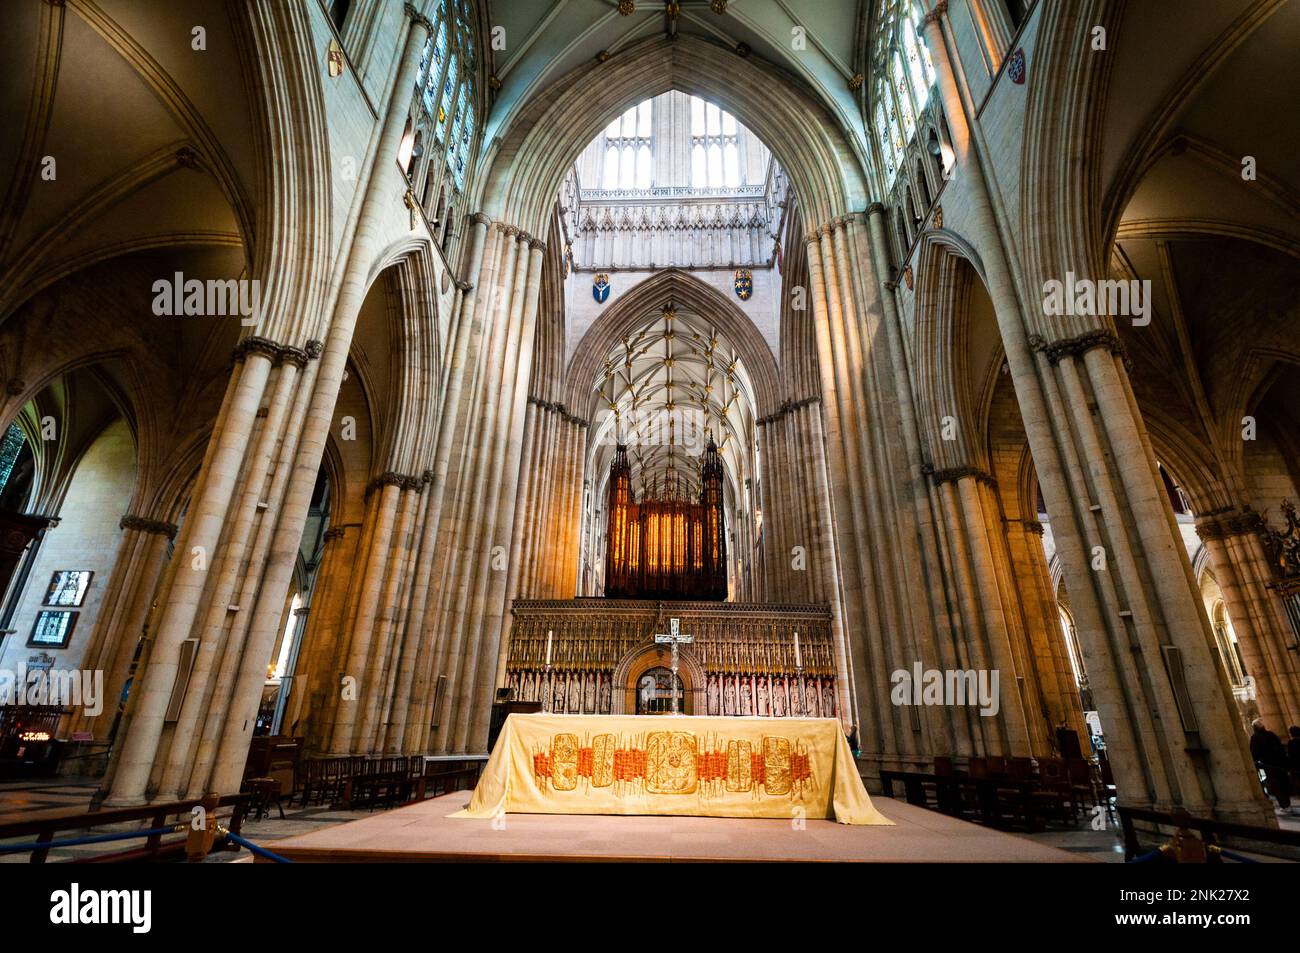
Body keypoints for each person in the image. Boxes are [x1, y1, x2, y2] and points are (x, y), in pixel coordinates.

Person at [1249, 718, 1293, 813]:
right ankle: (1287, 803)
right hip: (1279, 763)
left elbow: (1254, 752)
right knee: (1283, 782)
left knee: (1276, 784)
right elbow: (1280, 747)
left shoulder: (1255, 737)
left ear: (1255, 727)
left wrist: (1255, 761)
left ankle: (1284, 805)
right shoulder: (1271, 734)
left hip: (1268, 765)